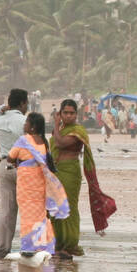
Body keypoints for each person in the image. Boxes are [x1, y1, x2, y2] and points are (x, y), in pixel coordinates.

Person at [6, 112, 70, 271]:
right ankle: (41, 244)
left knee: (27, 214)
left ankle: (28, 247)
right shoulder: (44, 142)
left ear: (33, 126)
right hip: (39, 183)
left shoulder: (23, 140)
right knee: (39, 214)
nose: (24, 125)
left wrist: (18, 162)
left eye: (27, 122)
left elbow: (10, 157)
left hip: (26, 184)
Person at [0, 89, 30, 259]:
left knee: (6, 209)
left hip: (4, 165)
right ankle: (29, 246)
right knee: (28, 208)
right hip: (24, 165)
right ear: (23, 103)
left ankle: (1, 248)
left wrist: (1, 109)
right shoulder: (25, 120)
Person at [51, 99, 96, 259]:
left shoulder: (78, 131)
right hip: (55, 172)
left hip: (70, 172)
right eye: (65, 113)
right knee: (55, 207)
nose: (68, 116)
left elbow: (61, 143)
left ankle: (69, 245)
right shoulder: (60, 129)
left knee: (68, 206)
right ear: (60, 114)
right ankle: (57, 244)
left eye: (71, 113)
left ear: (76, 115)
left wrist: (55, 125)